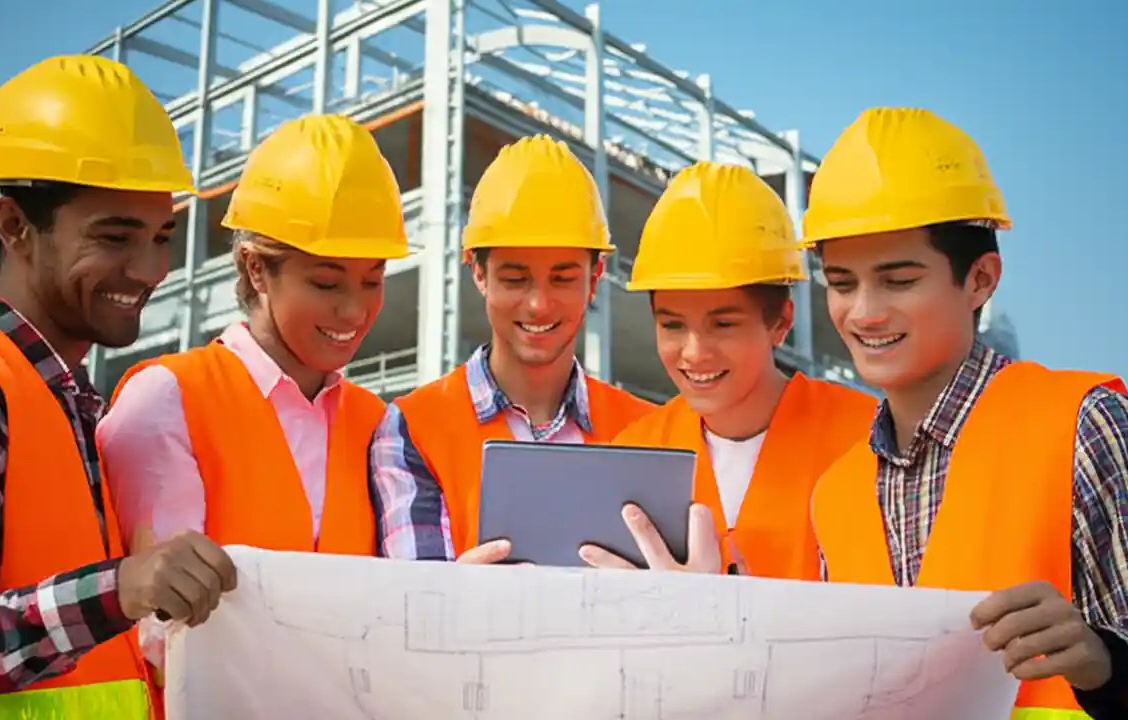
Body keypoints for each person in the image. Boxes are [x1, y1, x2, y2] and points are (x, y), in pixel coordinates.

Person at [0, 55, 235, 716]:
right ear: (14, 225)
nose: (150, 268)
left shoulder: (61, 402)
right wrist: (118, 589)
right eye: (114, 237)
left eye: (160, 237)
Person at [803, 107, 1128, 719]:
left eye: (899, 280)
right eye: (841, 283)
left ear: (980, 279)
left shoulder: (1089, 425)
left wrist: (1106, 662)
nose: (863, 313)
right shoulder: (835, 495)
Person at [97, 113, 408, 674]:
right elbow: (160, 636)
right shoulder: (167, 400)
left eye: (372, 279)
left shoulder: (377, 421)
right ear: (256, 270)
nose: (355, 310)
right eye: (326, 281)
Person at [577, 162, 877, 578]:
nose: (695, 352)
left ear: (780, 324)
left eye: (723, 324)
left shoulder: (868, 440)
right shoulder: (634, 454)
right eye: (672, 325)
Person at [369, 134, 656, 563]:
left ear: (594, 278)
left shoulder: (650, 431)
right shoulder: (412, 429)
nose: (539, 304)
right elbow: (420, 609)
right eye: (515, 278)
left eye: (562, 278)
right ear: (478, 272)